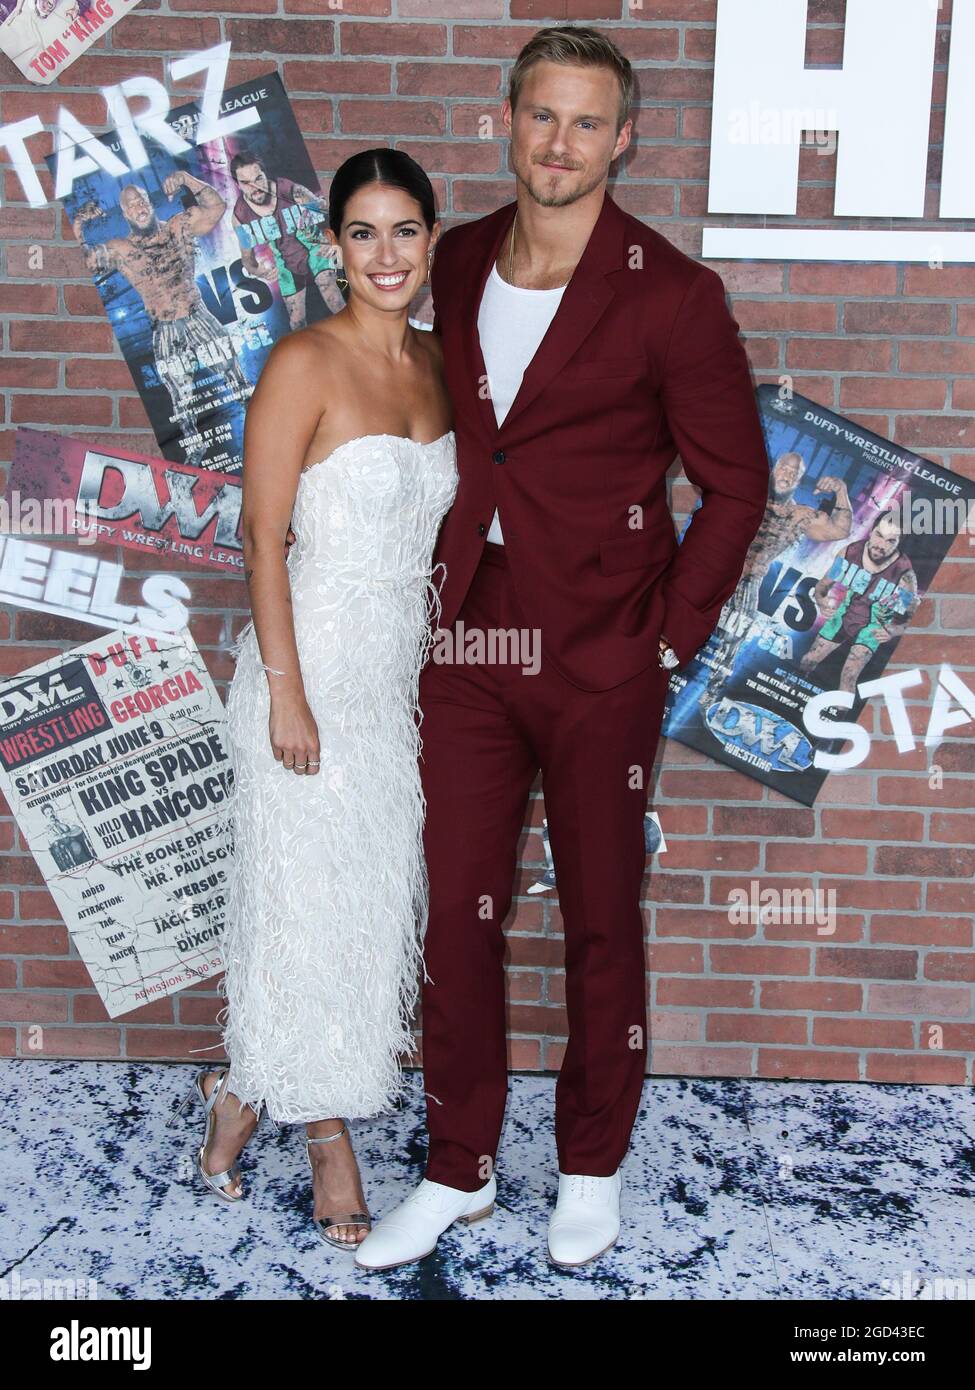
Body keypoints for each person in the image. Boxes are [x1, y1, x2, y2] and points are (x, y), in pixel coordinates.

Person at [354, 24, 769, 1273]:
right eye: (543, 115)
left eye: (589, 122)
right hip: (467, 645)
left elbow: (737, 486)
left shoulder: (675, 294)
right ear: (507, 118)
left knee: (601, 922)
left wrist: (665, 646)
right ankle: (456, 1168)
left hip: (604, 660)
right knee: (457, 922)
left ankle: (592, 1165)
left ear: (624, 137)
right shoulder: (462, 253)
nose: (561, 143)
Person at [169, 149, 456, 1251]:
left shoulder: (434, 364)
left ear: (431, 242)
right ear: (331, 247)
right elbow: (259, 536)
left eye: (406, 232)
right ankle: (325, 1133)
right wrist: (286, 694)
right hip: (307, 679)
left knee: (366, 905)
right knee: (304, 903)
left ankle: (243, 1090)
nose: (386, 256)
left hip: (389, 692)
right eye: (364, 234)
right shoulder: (303, 361)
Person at [72, 175, 249, 469]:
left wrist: (184, 179)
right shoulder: (121, 249)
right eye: (131, 204)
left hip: (198, 315)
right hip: (164, 328)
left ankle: (264, 431)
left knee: (237, 377)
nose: (138, 205)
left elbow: (216, 207)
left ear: (150, 204)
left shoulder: (179, 226)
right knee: (182, 399)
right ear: (126, 214)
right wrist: (79, 220)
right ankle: (195, 455)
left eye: (141, 199)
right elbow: (85, 261)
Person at [698, 452, 853, 703]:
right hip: (713, 569)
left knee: (734, 635)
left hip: (749, 581)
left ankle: (710, 694)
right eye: (784, 468)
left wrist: (841, 489)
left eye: (795, 473)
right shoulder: (744, 493)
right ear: (773, 470)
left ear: (799, 480)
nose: (788, 474)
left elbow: (840, 530)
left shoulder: (798, 515)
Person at [799, 509, 919, 693]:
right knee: (808, 660)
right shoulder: (850, 553)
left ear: (898, 544)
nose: (881, 545)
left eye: (891, 541)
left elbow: (910, 617)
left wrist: (893, 631)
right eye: (879, 535)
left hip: (873, 627)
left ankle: (838, 717)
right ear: (871, 532)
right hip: (844, 616)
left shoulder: (904, 574)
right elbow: (822, 587)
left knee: (848, 677)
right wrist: (822, 602)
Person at [229, 150, 346, 329]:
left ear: (265, 174)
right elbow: (247, 259)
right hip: (286, 263)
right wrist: (259, 271)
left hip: (315, 247)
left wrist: (332, 240)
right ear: (237, 184)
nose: (254, 187)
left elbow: (328, 213)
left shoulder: (289, 190)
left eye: (258, 178)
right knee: (297, 322)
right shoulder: (241, 217)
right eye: (245, 183)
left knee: (333, 296)